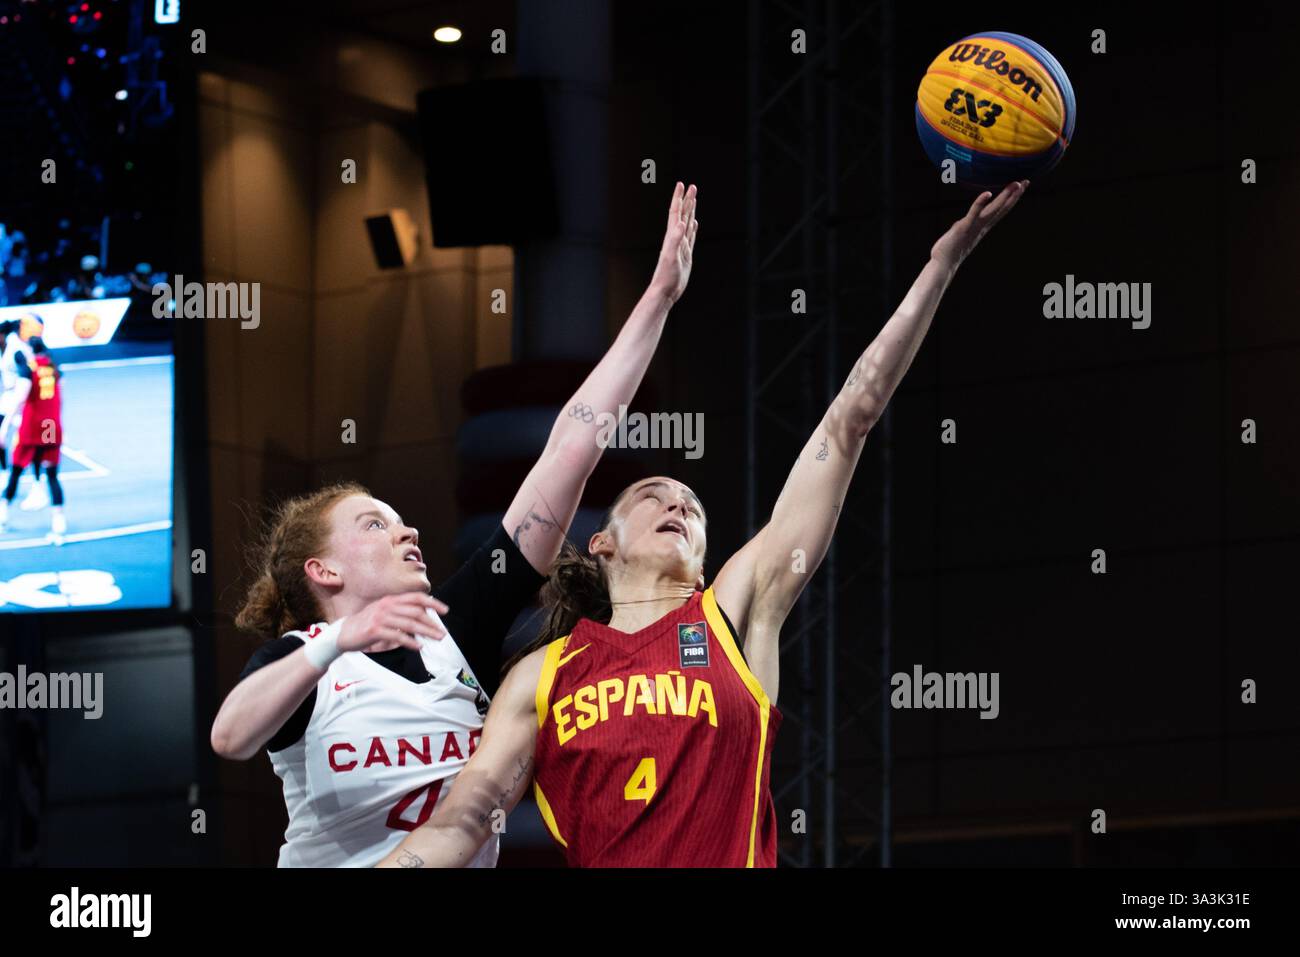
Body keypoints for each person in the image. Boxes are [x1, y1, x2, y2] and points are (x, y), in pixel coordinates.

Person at [378, 180, 1029, 868]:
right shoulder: (544, 675)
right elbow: (467, 815)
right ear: (602, 541)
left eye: (691, 504)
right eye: (655, 494)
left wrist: (941, 266)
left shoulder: (736, 609)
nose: (678, 506)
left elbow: (851, 417)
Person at [209, 183, 701, 866]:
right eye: (376, 523)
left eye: (404, 521)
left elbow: (571, 448)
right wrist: (339, 640)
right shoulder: (302, 662)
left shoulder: (457, 628)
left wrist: (658, 300)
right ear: (324, 569)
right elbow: (230, 736)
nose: (407, 532)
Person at [0, 337, 65, 542]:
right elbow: (61, 398)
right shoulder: (54, 368)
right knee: (52, 475)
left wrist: (5, 426)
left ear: (30, 350)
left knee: (16, 471)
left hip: (31, 428)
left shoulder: (29, 370)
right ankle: (59, 524)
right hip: (51, 427)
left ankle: (3, 517)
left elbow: (19, 399)